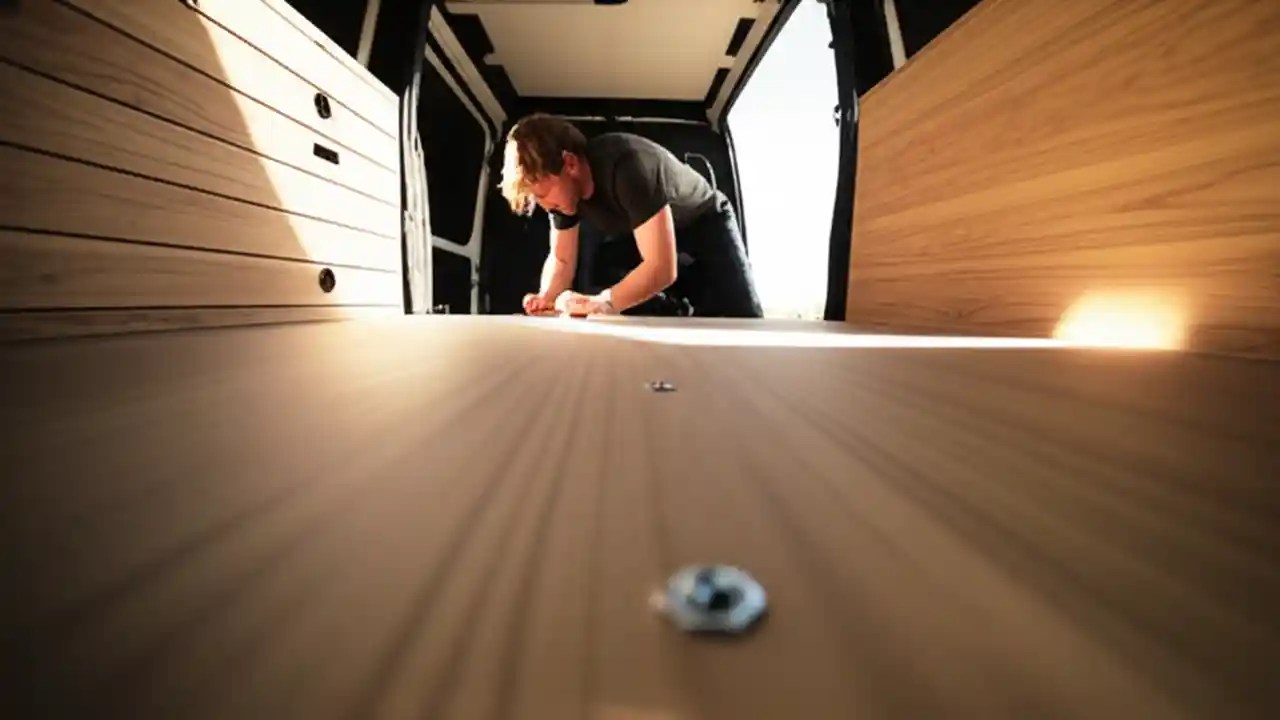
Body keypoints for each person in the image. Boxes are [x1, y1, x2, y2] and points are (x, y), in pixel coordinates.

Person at [499, 113, 763, 318]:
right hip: (654, 231)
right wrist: (546, 297)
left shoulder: (627, 166)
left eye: (544, 194)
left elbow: (661, 266)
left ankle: (688, 296)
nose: (545, 206)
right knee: (603, 265)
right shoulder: (565, 198)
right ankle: (673, 309)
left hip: (706, 219)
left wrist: (603, 302)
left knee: (744, 320)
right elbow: (562, 259)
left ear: (570, 164)